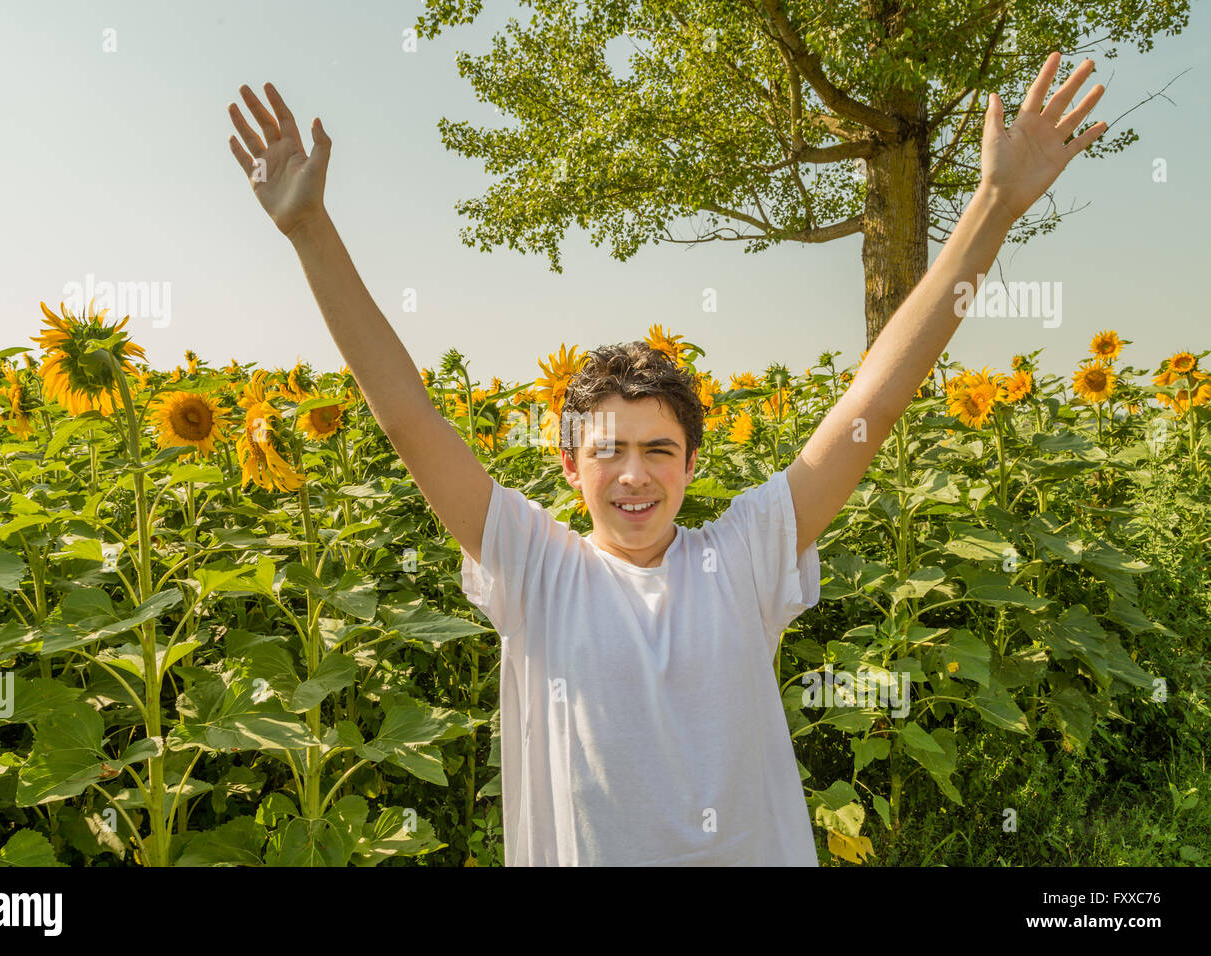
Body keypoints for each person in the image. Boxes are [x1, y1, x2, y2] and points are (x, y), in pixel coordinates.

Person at [227, 51, 1106, 865]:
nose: (635, 474)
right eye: (609, 452)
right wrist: (309, 229)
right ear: (570, 467)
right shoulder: (535, 570)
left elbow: (876, 397)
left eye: (659, 449)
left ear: (691, 464)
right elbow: (409, 419)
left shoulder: (745, 557)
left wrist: (992, 204)